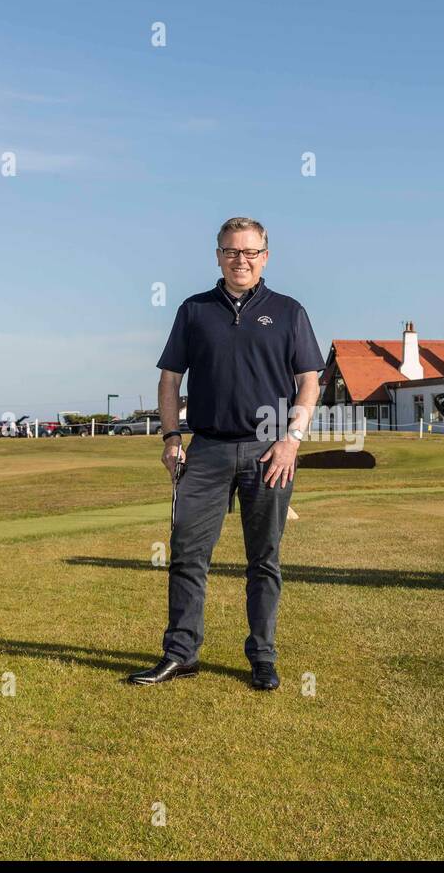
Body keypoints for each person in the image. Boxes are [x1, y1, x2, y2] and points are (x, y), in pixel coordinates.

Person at [128, 217, 325, 689]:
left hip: (269, 451)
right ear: (218, 255)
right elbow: (170, 379)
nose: (242, 260)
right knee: (187, 555)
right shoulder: (194, 310)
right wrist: (171, 438)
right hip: (207, 450)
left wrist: (291, 440)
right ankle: (181, 653)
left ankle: (262, 657)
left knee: (264, 559)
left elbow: (310, 382)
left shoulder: (288, 311)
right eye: (232, 251)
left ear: (266, 256)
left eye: (251, 252)